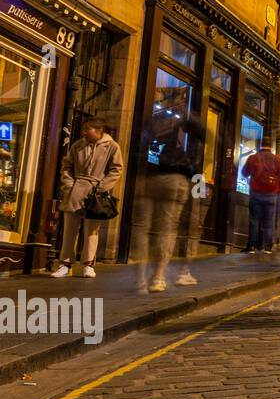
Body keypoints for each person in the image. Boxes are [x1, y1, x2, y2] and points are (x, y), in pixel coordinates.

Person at [131, 118, 203, 292]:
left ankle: (140, 279)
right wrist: (197, 191)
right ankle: (158, 277)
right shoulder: (193, 138)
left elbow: (139, 148)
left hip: (148, 179)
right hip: (175, 181)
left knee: (142, 228)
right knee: (166, 229)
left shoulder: (155, 126)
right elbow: (196, 168)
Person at [52, 118, 124, 279]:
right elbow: (67, 166)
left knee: (91, 230)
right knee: (69, 229)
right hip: (75, 190)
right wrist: (69, 185)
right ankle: (65, 264)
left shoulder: (112, 146)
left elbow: (116, 169)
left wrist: (101, 187)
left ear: (99, 130)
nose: (84, 132)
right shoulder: (78, 145)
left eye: (88, 129)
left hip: (95, 193)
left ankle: (88, 264)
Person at [240, 141, 280, 254]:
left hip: (256, 193)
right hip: (271, 194)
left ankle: (251, 246)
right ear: (270, 146)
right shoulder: (276, 159)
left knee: (254, 220)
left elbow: (244, 173)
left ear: (260, 146)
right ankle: (266, 247)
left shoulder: (254, 157)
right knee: (268, 221)